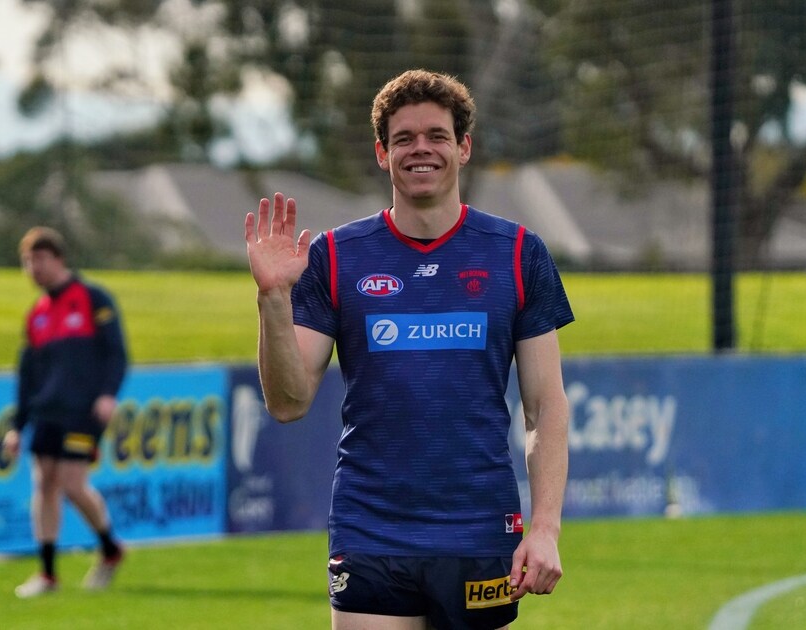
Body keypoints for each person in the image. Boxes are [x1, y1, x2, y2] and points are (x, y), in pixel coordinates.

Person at [244, 69, 573, 629]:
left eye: (436, 136)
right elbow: (288, 401)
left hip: (478, 528)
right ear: (382, 153)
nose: (421, 149)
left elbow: (545, 406)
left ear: (463, 147)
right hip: (371, 530)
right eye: (404, 139)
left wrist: (544, 529)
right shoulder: (335, 256)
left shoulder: (519, 253)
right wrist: (274, 298)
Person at [2, 226, 129, 598]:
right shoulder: (37, 315)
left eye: (39, 259)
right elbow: (27, 378)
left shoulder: (92, 299)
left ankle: (109, 548)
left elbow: (116, 353)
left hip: (83, 411)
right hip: (47, 412)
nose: (33, 268)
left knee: (72, 483)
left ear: (58, 259)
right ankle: (47, 573)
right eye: (27, 262)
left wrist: (108, 394)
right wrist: (17, 426)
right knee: (43, 484)